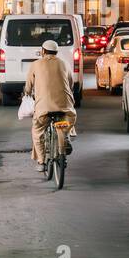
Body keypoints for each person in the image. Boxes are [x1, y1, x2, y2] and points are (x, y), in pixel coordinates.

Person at [23, 39, 76, 172]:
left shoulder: (35, 64)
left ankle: (41, 162)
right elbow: (70, 83)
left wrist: (27, 93)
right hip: (65, 106)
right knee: (68, 120)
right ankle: (66, 136)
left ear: (43, 51)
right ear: (56, 52)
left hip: (44, 108)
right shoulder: (65, 64)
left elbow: (28, 87)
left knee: (38, 131)